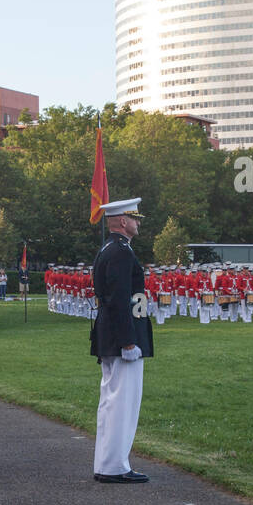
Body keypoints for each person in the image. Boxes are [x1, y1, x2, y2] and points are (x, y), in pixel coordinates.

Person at [90, 198, 152, 484]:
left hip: (112, 334)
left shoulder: (111, 248)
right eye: (135, 218)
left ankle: (108, 463)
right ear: (123, 221)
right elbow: (118, 299)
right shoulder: (120, 252)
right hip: (121, 337)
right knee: (121, 402)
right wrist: (129, 341)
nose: (138, 223)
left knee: (113, 401)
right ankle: (114, 466)